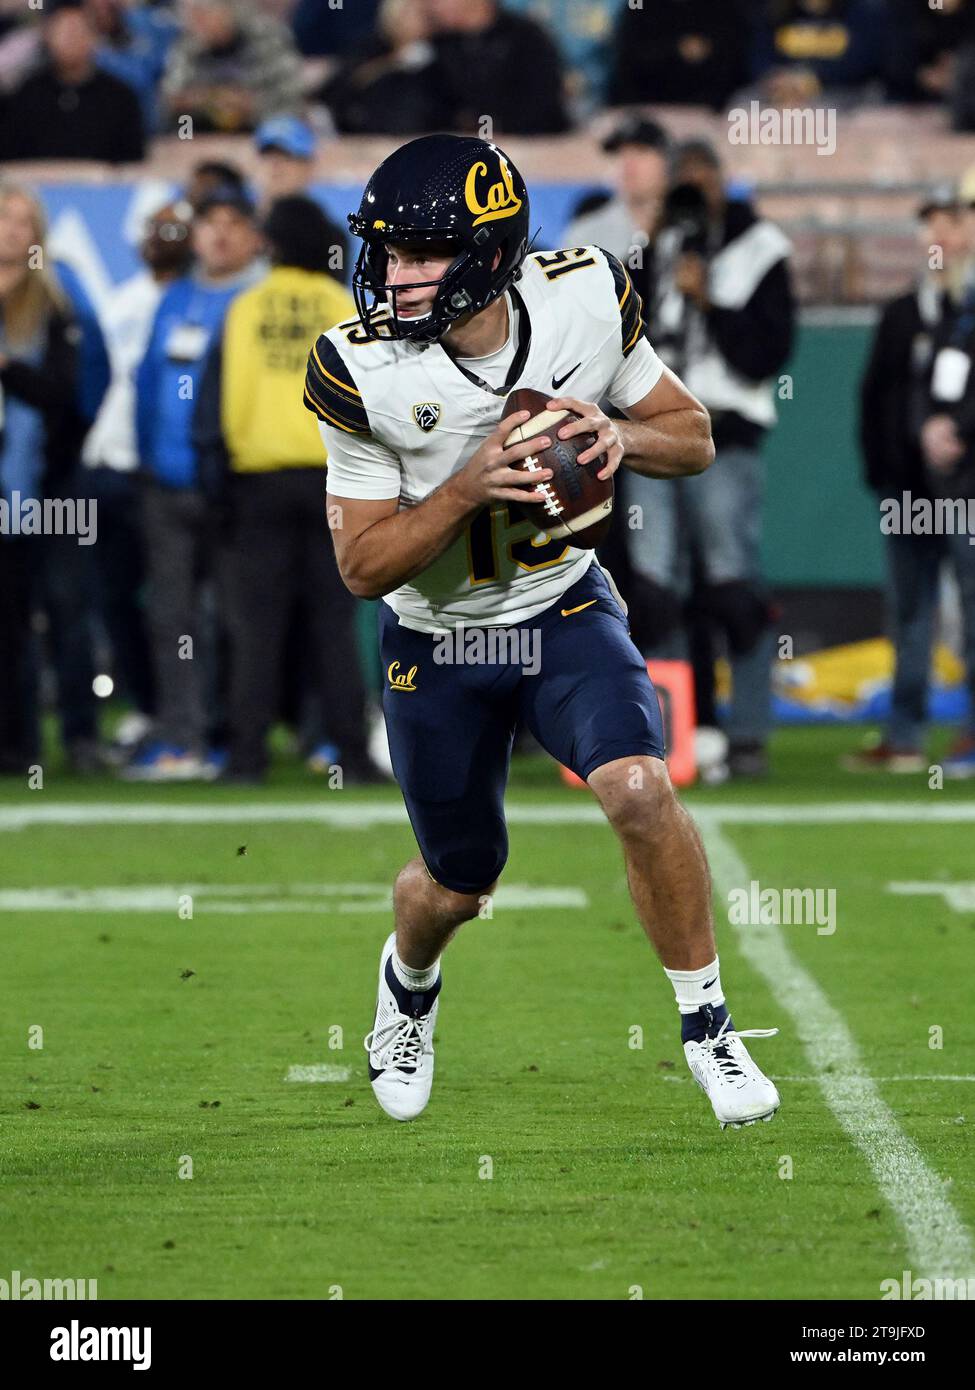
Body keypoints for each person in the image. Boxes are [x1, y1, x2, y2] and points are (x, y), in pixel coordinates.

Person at [303, 133, 781, 1129]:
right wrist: (469, 485)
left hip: (563, 608)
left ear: (486, 255)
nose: (393, 276)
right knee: (456, 882)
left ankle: (709, 1026)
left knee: (640, 787)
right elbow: (363, 566)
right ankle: (407, 988)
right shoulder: (359, 367)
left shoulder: (585, 298)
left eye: (421, 255)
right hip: (435, 641)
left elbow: (690, 435)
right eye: (386, 252)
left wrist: (621, 434)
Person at [193, 195, 383, 784]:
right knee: (335, 626)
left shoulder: (243, 309)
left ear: (271, 245)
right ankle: (351, 755)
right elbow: (372, 404)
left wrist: (215, 489)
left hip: (256, 486)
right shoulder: (344, 309)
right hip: (332, 482)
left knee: (256, 629)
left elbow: (209, 409)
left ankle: (247, 757)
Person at [626, 139, 795, 779]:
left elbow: (767, 353)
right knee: (654, 589)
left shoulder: (760, 250)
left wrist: (709, 304)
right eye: (683, 185)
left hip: (726, 431)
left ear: (725, 184)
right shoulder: (651, 250)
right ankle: (666, 735)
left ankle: (748, 731)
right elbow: (622, 340)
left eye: (702, 183)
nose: (693, 197)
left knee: (732, 584)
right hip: (654, 431)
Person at [129, 187, 264, 780]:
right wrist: (146, 463)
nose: (220, 234)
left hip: (234, 488)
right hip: (166, 484)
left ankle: (235, 740)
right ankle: (182, 738)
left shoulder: (261, 301)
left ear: (255, 236)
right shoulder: (174, 297)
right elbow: (144, 385)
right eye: (210, 223)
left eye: (234, 223)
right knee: (172, 618)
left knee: (241, 619)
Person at [82, 202, 194, 748]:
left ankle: (195, 718)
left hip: (170, 471)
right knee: (118, 597)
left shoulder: (197, 302)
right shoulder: (121, 302)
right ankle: (148, 706)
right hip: (111, 466)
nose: (165, 242)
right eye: (158, 232)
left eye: (176, 233)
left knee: (184, 606)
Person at [0, 182, 81, 773]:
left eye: (19, 221)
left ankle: (20, 745)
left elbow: (62, 396)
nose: (8, 231)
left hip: (26, 494)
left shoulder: (50, 306)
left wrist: (8, 369)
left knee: (18, 622)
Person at [0, 0, 145, 163]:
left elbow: (133, 163)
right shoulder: (26, 94)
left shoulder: (121, 98)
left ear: (94, 37)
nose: (70, 40)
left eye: (78, 32)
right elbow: (9, 159)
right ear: (48, 36)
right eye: (63, 33)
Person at [427, 0, 569, 136]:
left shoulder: (526, 37)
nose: (434, 8)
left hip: (537, 145)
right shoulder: (439, 45)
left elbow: (542, 104)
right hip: (466, 148)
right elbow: (425, 111)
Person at [162, 0, 303, 134]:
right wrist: (204, 100)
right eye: (191, 16)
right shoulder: (189, 45)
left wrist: (252, 106)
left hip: (261, 136)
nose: (197, 24)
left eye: (203, 14)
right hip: (201, 136)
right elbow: (172, 99)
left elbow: (292, 101)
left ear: (228, 9)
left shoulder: (267, 40)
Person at [315, 0, 449, 137]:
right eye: (405, 13)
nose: (409, 20)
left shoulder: (440, 55)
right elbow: (342, 86)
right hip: (357, 132)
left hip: (413, 134)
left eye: (421, 15)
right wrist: (394, 61)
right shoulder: (370, 47)